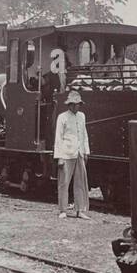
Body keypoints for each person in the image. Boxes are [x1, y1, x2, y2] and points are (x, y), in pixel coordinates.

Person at [54, 89, 91, 219]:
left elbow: (84, 134)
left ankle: (80, 210)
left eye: (79, 104)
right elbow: (58, 137)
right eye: (75, 104)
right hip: (66, 154)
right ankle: (63, 210)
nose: (78, 106)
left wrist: (86, 151)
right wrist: (59, 157)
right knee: (64, 182)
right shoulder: (62, 117)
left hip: (79, 153)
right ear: (70, 105)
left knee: (80, 182)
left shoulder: (82, 116)